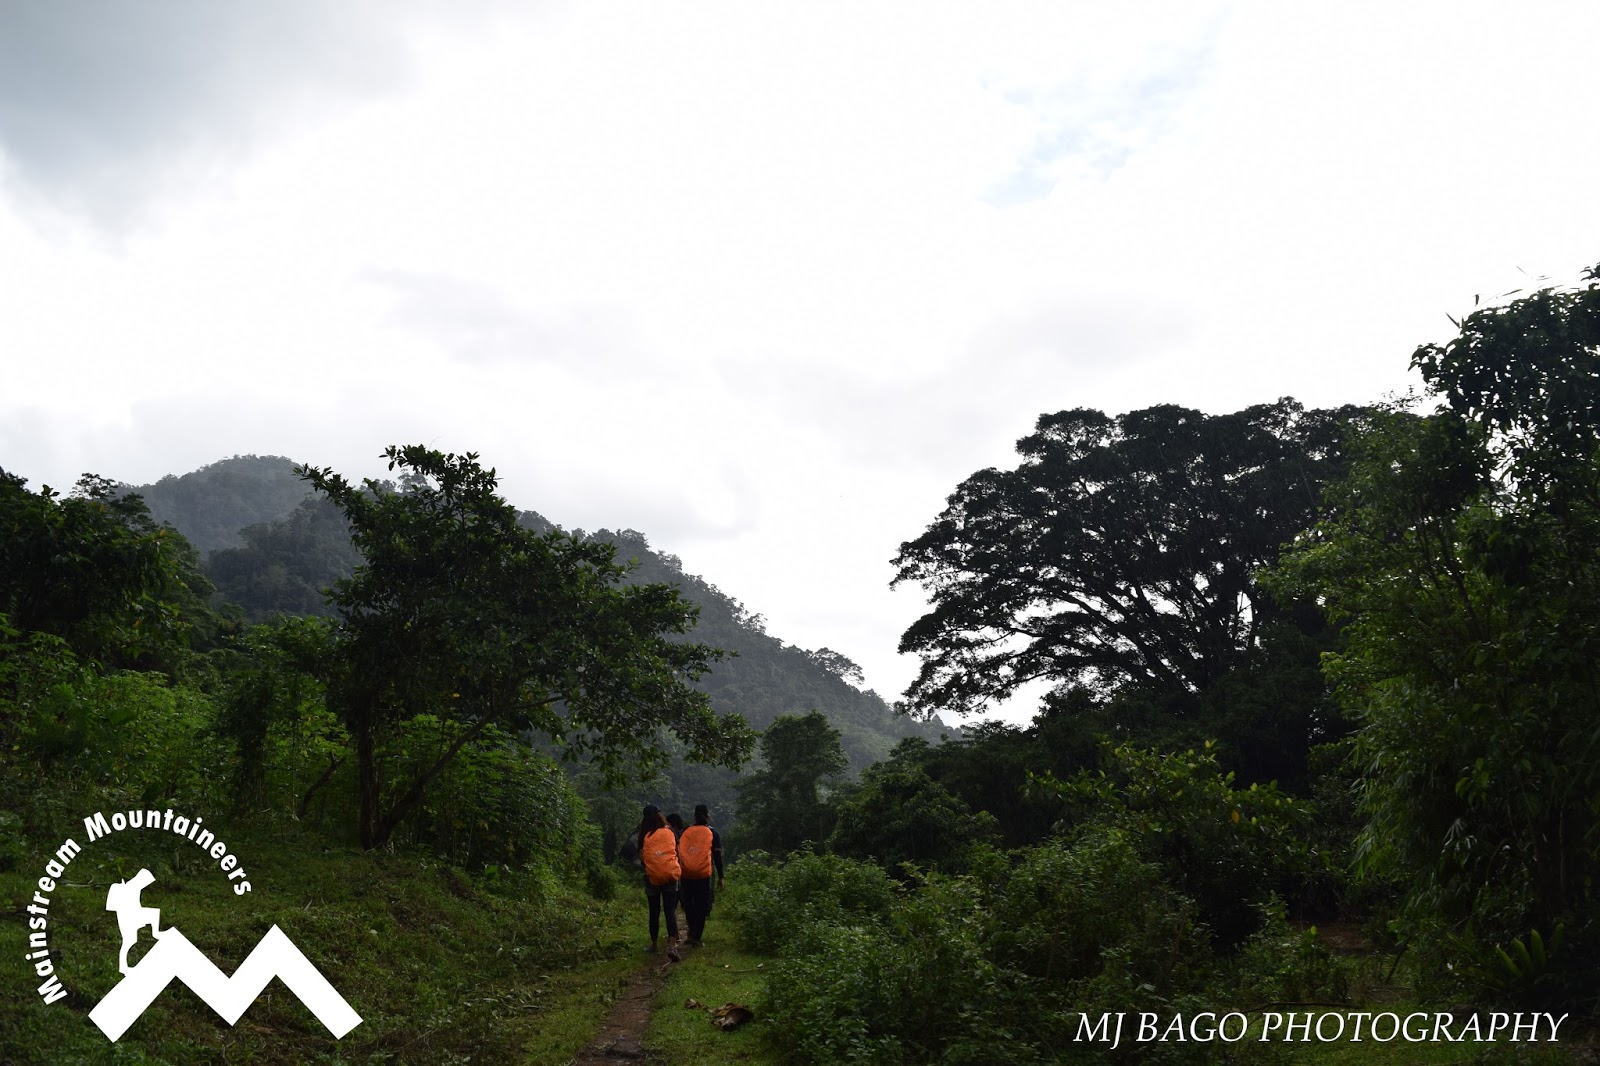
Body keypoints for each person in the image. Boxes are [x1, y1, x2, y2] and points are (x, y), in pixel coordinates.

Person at [676, 803, 724, 947]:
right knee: (702, 905)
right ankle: (696, 937)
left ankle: (691, 932)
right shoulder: (713, 833)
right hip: (704, 875)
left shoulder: (686, 831)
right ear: (708, 816)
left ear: (694, 816)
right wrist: (721, 876)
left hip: (686, 874)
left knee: (688, 903)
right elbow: (717, 857)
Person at [637, 804, 682, 954]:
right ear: (659, 816)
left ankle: (654, 945)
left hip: (652, 878)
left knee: (654, 911)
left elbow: (642, 858)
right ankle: (672, 945)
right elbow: (677, 852)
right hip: (670, 875)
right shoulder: (669, 832)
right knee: (670, 910)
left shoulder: (644, 835)